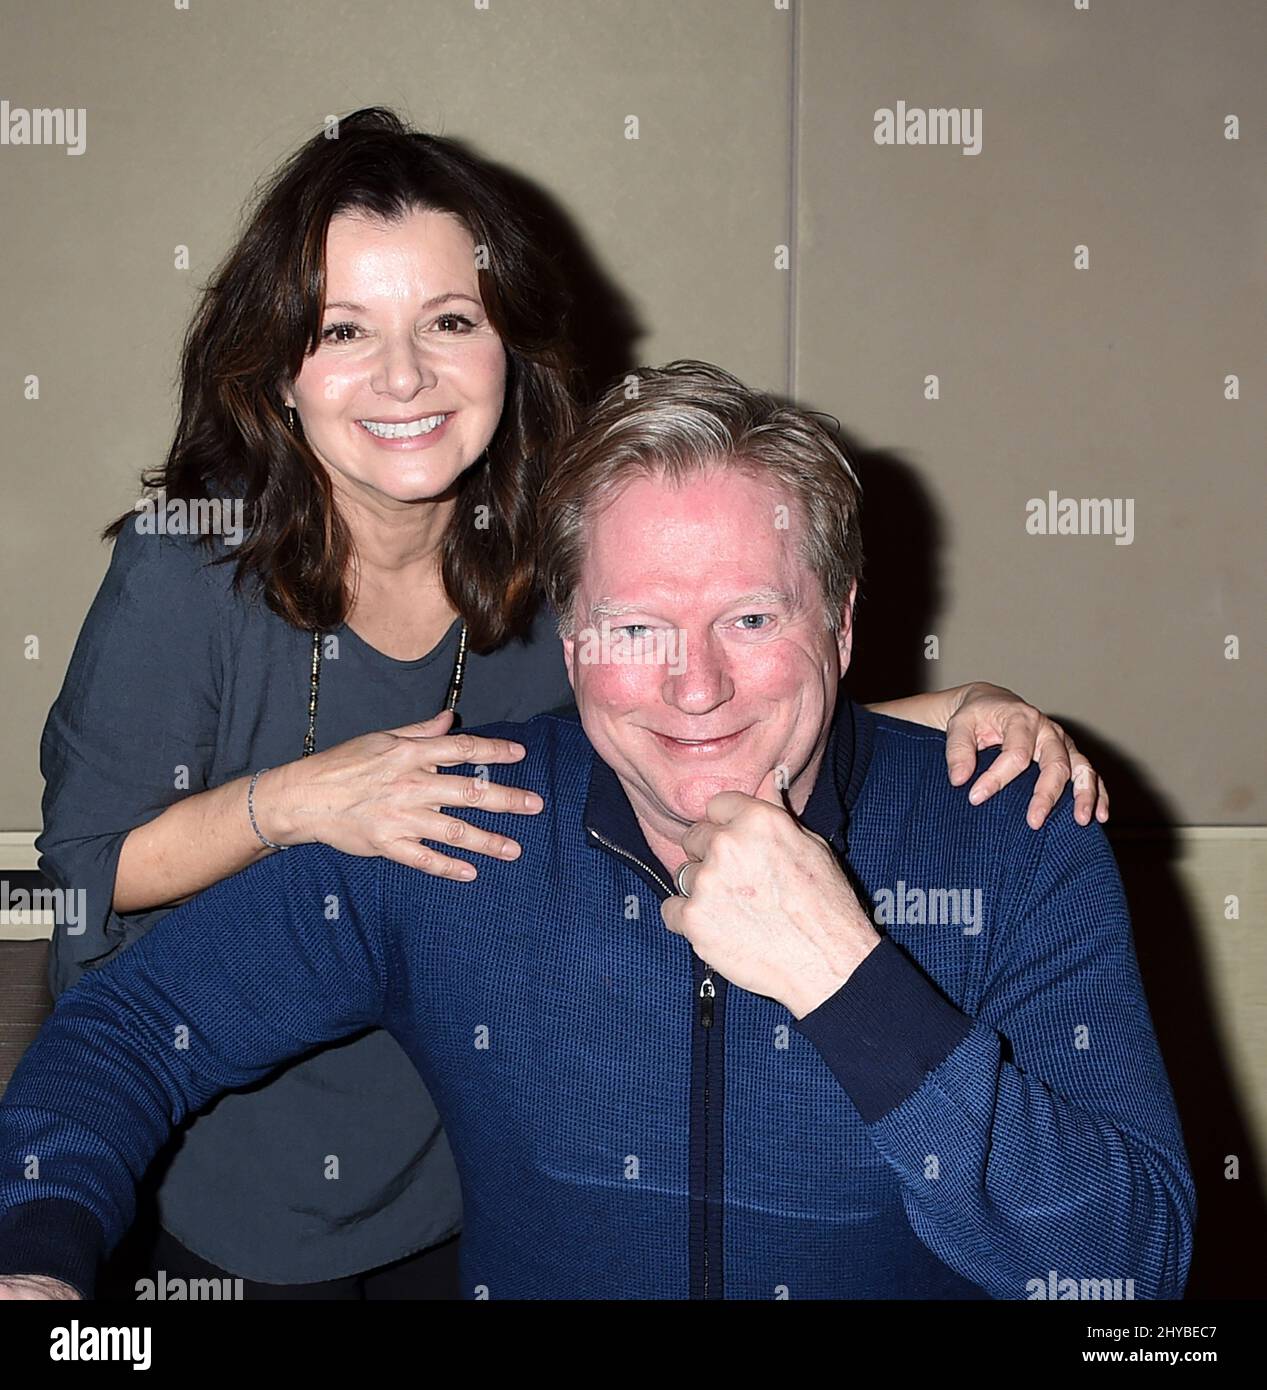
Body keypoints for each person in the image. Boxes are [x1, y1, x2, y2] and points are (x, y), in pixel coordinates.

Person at [37, 108, 1105, 1299]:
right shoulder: (188, 567)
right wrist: (293, 804)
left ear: (508, 349)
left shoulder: (552, 553)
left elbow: (707, 695)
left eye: (449, 322)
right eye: (345, 329)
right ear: (280, 366)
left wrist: (979, 705)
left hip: (455, 1142)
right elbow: (69, 874)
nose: (404, 376)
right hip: (238, 1145)